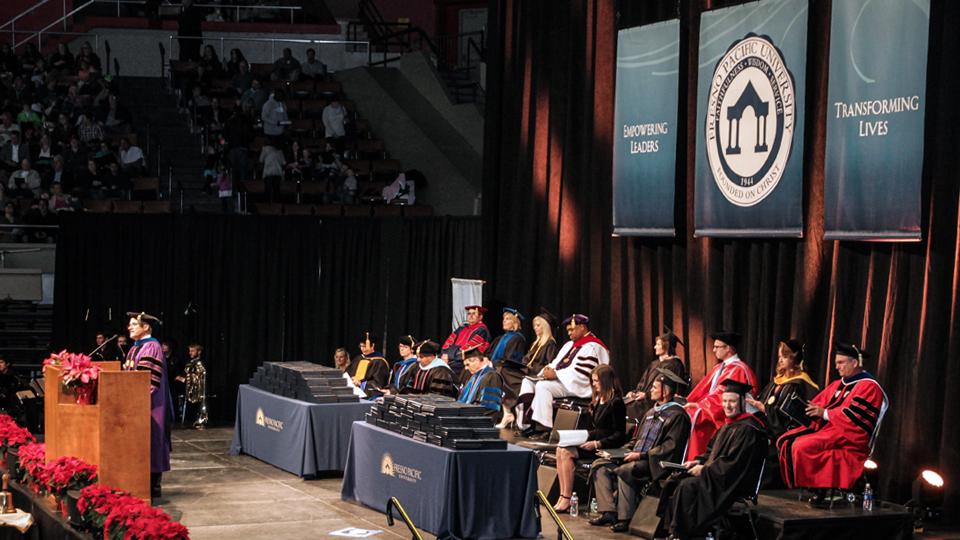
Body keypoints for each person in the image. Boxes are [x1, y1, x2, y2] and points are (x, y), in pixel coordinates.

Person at [777, 342, 889, 503]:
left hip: (850, 437)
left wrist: (824, 413)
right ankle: (815, 487)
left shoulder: (869, 387)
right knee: (787, 440)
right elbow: (818, 403)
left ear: (855, 363)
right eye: (836, 362)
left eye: (840, 362)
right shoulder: (838, 384)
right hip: (830, 432)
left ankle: (819, 489)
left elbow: (855, 419)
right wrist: (800, 409)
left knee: (802, 446)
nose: (836, 367)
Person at [656, 378, 768, 539]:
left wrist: (705, 469)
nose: (727, 406)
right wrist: (699, 461)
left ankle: (684, 533)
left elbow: (735, 464)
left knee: (687, 486)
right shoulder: (727, 425)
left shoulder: (748, 429)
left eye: (732, 401)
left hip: (731, 481)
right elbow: (711, 453)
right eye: (725, 401)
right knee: (675, 479)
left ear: (742, 402)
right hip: (716, 474)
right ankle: (672, 531)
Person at [590, 369, 691, 532]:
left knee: (625, 470)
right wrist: (622, 451)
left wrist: (641, 455)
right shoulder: (651, 413)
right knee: (600, 465)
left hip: (655, 463)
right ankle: (609, 511)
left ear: (665, 391)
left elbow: (669, 448)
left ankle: (625, 518)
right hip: (636, 456)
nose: (650, 390)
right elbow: (637, 440)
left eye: (655, 387)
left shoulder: (678, 416)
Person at [516, 314, 610, 437]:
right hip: (563, 381)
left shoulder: (593, 346)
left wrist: (555, 374)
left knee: (543, 386)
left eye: (572, 329)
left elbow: (583, 373)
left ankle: (543, 428)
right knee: (527, 382)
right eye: (568, 331)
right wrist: (545, 371)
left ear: (582, 327)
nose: (569, 333)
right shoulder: (569, 345)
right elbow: (556, 362)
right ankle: (527, 424)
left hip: (579, 386)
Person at [745, 339, 818, 487]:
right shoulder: (777, 381)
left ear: (794, 358)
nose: (780, 360)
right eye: (779, 356)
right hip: (768, 427)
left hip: (783, 435)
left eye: (784, 356)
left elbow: (796, 419)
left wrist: (765, 410)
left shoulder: (802, 385)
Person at [554, 364, 627, 512]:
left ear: (605, 381)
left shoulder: (616, 402)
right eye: (593, 380)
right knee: (560, 449)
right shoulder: (599, 399)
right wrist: (581, 437)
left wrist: (596, 443)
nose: (593, 384)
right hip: (593, 442)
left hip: (606, 447)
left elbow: (619, 435)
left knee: (567, 453)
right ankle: (562, 495)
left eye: (596, 381)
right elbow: (596, 428)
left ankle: (568, 498)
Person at [683, 331, 757, 460]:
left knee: (695, 418)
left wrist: (699, 406)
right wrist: (686, 401)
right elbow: (702, 389)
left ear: (728, 348)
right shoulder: (719, 368)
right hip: (711, 408)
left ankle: (697, 464)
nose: (713, 350)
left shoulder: (738, 369)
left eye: (717, 347)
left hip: (725, 417)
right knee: (681, 411)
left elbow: (723, 399)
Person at [123, 312, 171, 499]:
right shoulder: (136, 348)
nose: (130, 327)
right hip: (137, 405)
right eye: (130, 324)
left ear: (146, 327)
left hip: (149, 405)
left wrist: (133, 400)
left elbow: (147, 382)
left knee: (152, 440)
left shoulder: (151, 348)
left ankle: (152, 486)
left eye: (134, 324)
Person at [498, 309, 557, 428]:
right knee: (501, 370)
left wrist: (530, 368)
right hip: (527, 372)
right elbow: (526, 360)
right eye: (534, 325)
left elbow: (549, 365)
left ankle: (509, 410)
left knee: (504, 372)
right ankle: (507, 411)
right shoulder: (536, 343)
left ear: (545, 327)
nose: (535, 328)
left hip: (536, 376)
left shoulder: (550, 344)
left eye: (538, 325)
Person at [626, 327, 686, 418]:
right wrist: (635, 392)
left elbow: (670, 390)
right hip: (643, 400)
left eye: (658, 344)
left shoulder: (676, 365)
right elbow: (643, 382)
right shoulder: (654, 364)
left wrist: (646, 395)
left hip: (655, 404)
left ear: (666, 346)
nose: (654, 347)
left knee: (625, 410)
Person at [440, 305, 491, 380]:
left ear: (480, 317)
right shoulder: (462, 328)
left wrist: (449, 356)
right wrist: (444, 354)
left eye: (474, 314)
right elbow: (448, 342)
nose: (471, 316)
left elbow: (468, 350)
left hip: (464, 361)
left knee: (443, 370)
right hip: (452, 358)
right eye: (469, 314)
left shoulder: (482, 331)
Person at [457, 347, 505, 417]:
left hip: (480, 422)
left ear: (476, 360)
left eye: (467, 364)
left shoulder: (491, 376)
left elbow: (490, 407)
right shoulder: (473, 377)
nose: (465, 368)